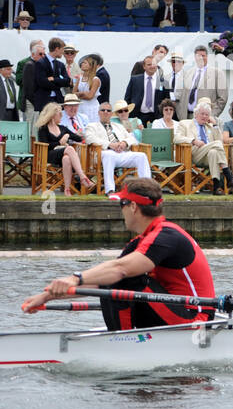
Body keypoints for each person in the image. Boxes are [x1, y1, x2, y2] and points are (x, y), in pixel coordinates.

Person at [23, 179, 214, 332]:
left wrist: (74, 279)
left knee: (123, 280)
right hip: (172, 312)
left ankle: (120, 342)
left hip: (194, 319)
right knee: (112, 278)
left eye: (121, 204)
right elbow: (101, 281)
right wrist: (47, 296)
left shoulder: (166, 236)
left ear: (132, 207)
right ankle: (122, 340)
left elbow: (119, 271)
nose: (120, 211)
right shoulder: (142, 241)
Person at [83, 101, 152, 187]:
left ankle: (147, 188)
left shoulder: (119, 126)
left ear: (111, 114)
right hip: (104, 153)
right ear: (98, 113)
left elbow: (132, 138)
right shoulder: (92, 126)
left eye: (108, 111)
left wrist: (124, 143)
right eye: (103, 110)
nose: (105, 112)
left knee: (142, 156)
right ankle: (110, 189)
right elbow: (89, 138)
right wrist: (110, 144)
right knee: (109, 155)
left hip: (121, 153)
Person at [36, 100, 94, 194]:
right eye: (60, 114)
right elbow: (45, 145)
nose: (62, 116)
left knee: (66, 159)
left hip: (61, 155)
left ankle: (67, 189)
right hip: (48, 155)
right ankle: (82, 176)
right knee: (70, 148)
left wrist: (72, 134)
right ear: (53, 115)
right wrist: (59, 142)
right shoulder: (43, 129)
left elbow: (79, 138)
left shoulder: (63, 128)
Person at [174, 101, 233, 194]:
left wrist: (215, 125)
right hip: (192, 154)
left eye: (207, 115)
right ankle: (229, 177)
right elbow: (176, 138)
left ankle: (216, 187)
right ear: (196, 114)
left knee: (213, 152)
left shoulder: (209, 126)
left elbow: (220, 141)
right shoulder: (185, 123)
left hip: (207, 156)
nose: (205, 116)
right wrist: (193, 140)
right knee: (216, 144)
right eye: (202, 114)